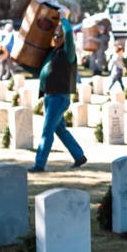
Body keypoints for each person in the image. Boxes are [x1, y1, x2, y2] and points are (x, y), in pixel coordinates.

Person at [29, 16, 87, 173]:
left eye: (58, 36)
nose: (55, 38)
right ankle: (79, 155)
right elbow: (37, 70)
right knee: (59, 129)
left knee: (47, 130)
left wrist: (63, 19)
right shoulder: (52, 52)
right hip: (49, 96)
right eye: (54, 36)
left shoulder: (68, 52)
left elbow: (69, 33)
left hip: (59, 97)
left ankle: (39, 164)